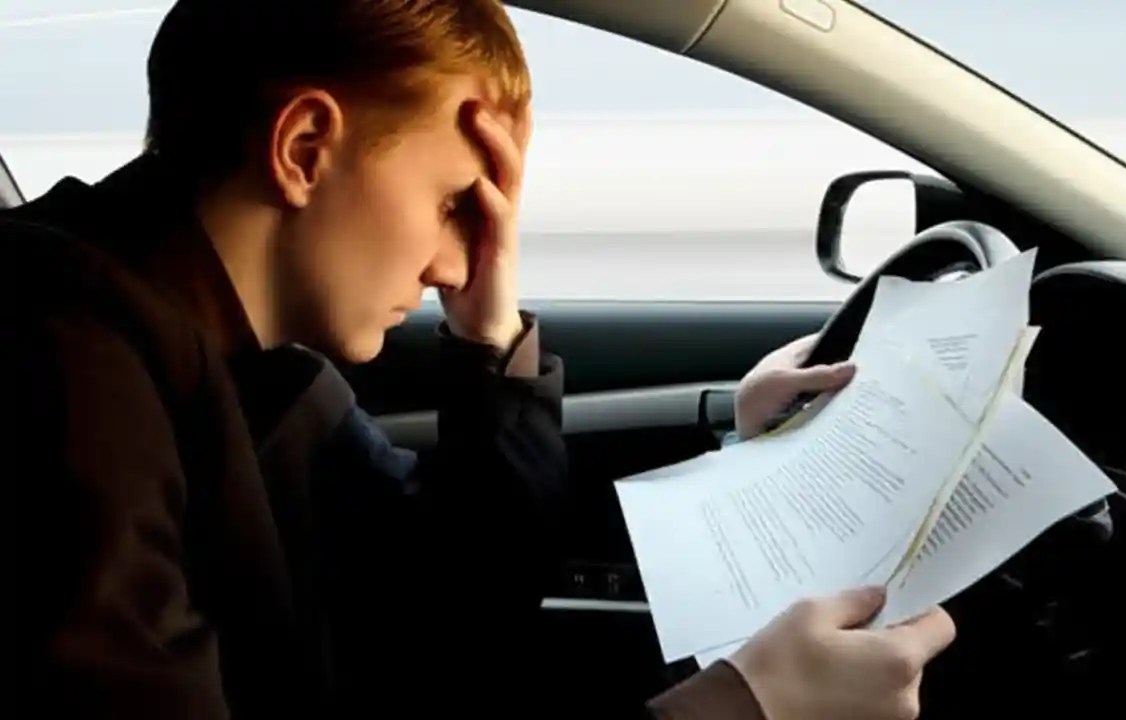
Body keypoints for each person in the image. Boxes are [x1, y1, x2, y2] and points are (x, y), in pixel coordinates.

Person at [6, 1, 955, 718]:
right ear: (302, 148)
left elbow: (450, 601)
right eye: (459, 202)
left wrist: (489, 332)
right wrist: (733, 710)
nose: (459, 258)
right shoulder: (62, 370)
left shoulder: (245, 362)